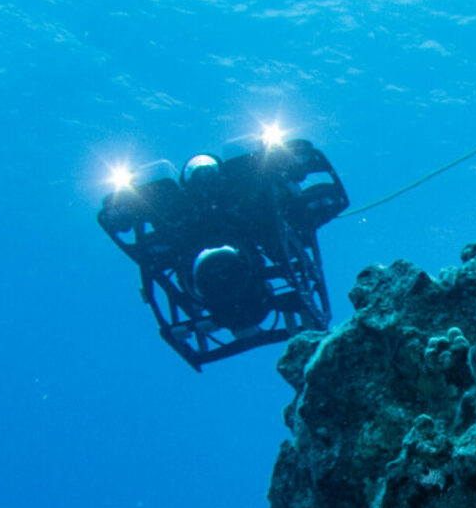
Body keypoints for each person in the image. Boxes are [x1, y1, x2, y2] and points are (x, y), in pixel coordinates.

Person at [99, 134, 349, 371]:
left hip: (221, 278)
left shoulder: (189, 220)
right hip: (229, 276)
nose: (204, 178)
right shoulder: (239, 208)